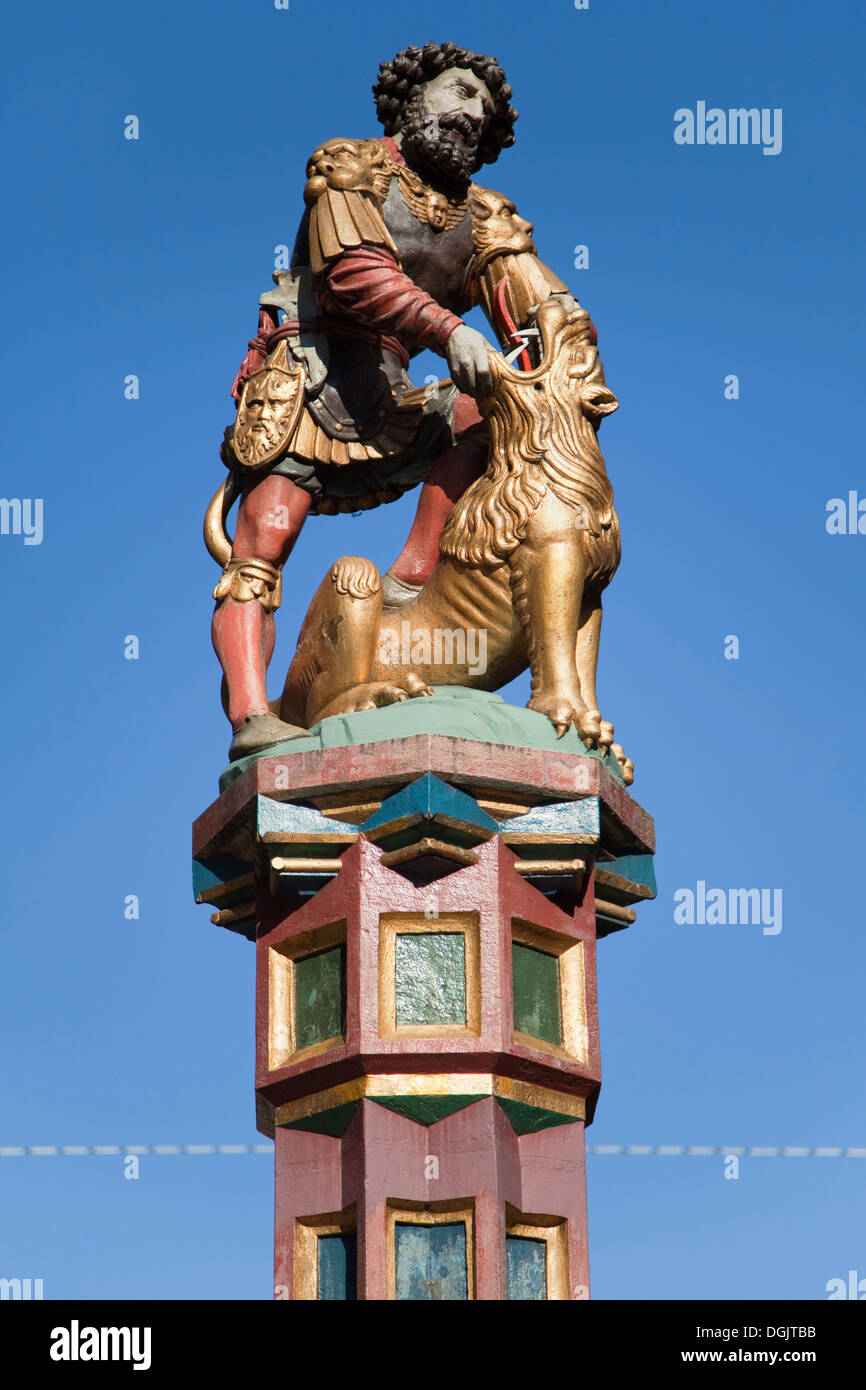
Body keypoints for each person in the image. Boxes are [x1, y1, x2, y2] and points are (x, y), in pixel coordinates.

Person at [211, 39, 583, 760]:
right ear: (413, 99)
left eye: (484, 107)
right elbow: (354, 273)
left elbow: (535, 302)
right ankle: (254, 717)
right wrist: (450, 332)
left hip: (393, 390)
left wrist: (566, 352)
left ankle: (415, 573)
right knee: (268, 535)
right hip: (310, 376)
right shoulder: (349, 165)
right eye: (458, 93)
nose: (471, 113)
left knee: (489, 412)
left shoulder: (484, 216)